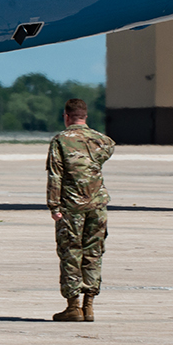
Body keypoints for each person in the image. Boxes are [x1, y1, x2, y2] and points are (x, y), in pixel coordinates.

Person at [47, 98, 116, 322]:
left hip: (71, 207)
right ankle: (89, 306)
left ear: (66, 116)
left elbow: (55, 175)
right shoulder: (100, 140)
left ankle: (73, 306)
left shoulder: (60, 141)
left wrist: (54, 206)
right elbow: (109, 148)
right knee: (93, 253)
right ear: (85, 117)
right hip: (97, 206)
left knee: (71, 253)